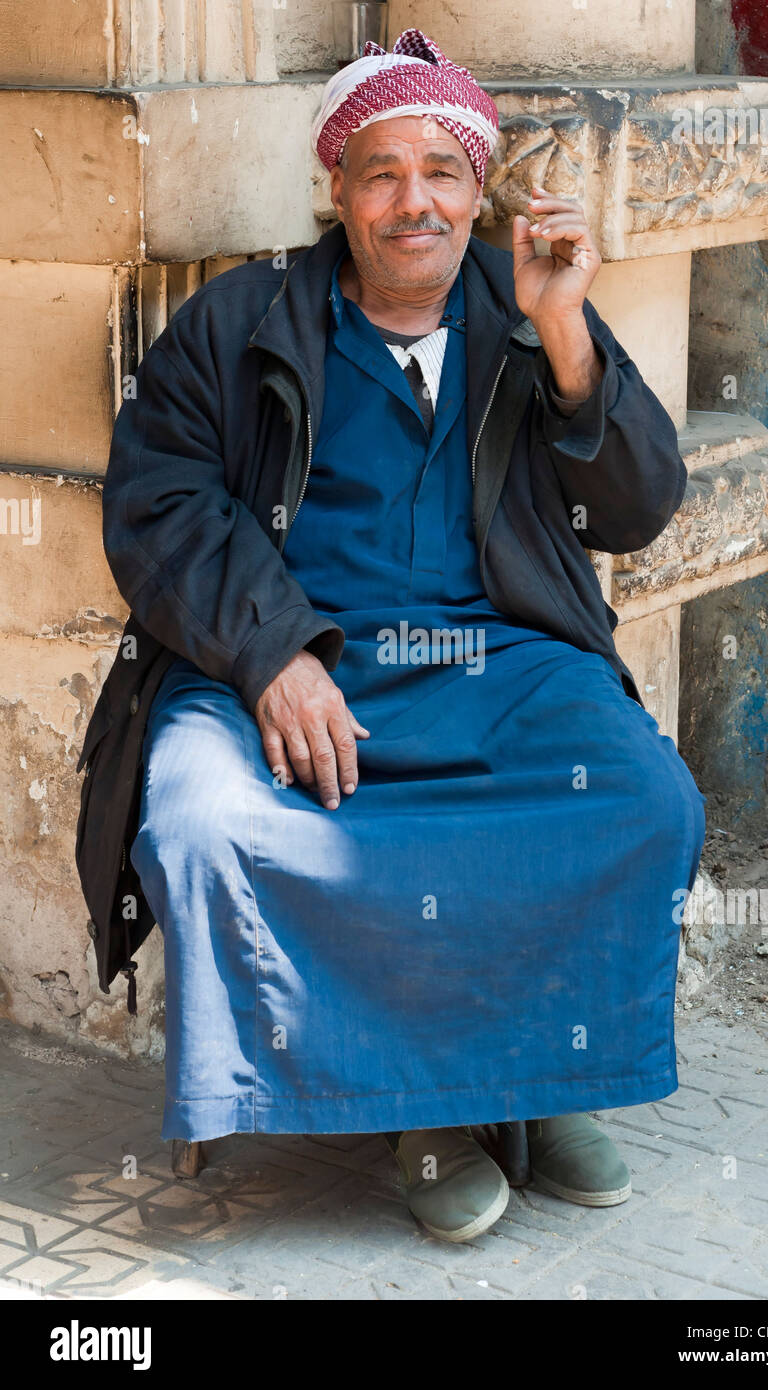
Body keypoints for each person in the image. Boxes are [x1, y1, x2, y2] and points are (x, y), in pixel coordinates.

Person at [77, 27, 705, 1244]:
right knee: (207, 816)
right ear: (338, 190)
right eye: (379, 171)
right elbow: (154, 508)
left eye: (440, 171)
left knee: (643, 798)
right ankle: (430, 1117)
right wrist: (271, 650)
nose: (411, 200)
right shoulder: (238, 320)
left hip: (498, 659)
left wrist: (568, 329)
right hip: (288, 663)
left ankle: (537, 1083)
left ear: (477, 190)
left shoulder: (524, 312)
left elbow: (633, 508)